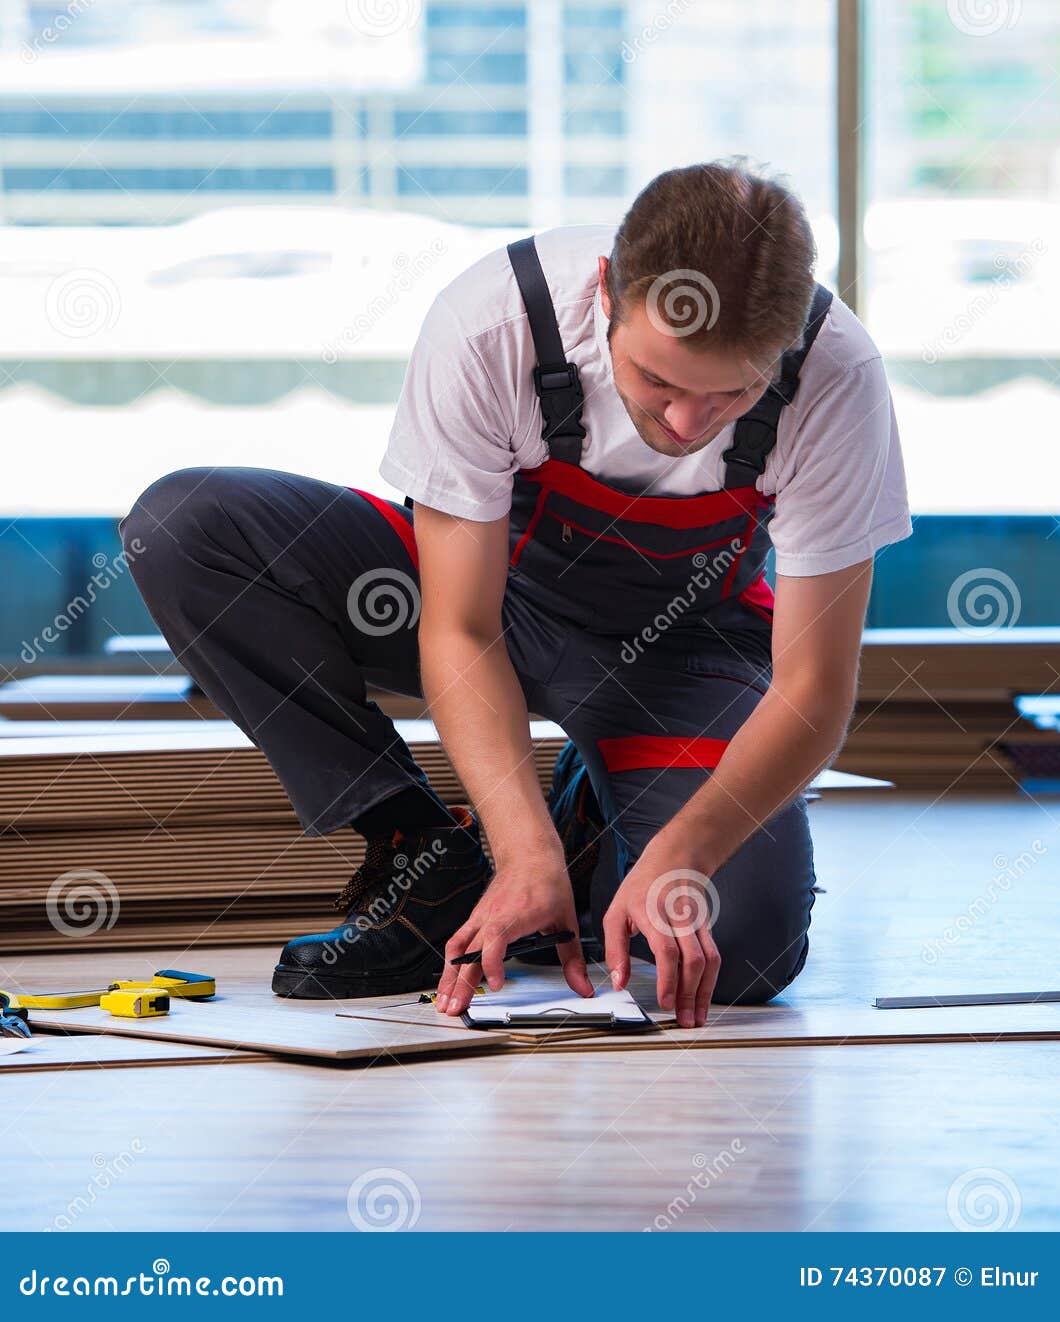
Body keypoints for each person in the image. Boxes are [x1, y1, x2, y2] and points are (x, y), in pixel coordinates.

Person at [121, 159, 911, 1029]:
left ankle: (588, 826)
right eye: (661, 383)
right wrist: (515, 851)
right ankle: (425, 849)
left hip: (686, 654)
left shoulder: (838, 375)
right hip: (493, 606)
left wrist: (680, 852)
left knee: (745, 953)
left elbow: (814, 691)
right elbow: (459, 627)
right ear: (609, 289)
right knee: (187, 526)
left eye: (734, 393)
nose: (689, 425)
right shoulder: (496, 322)